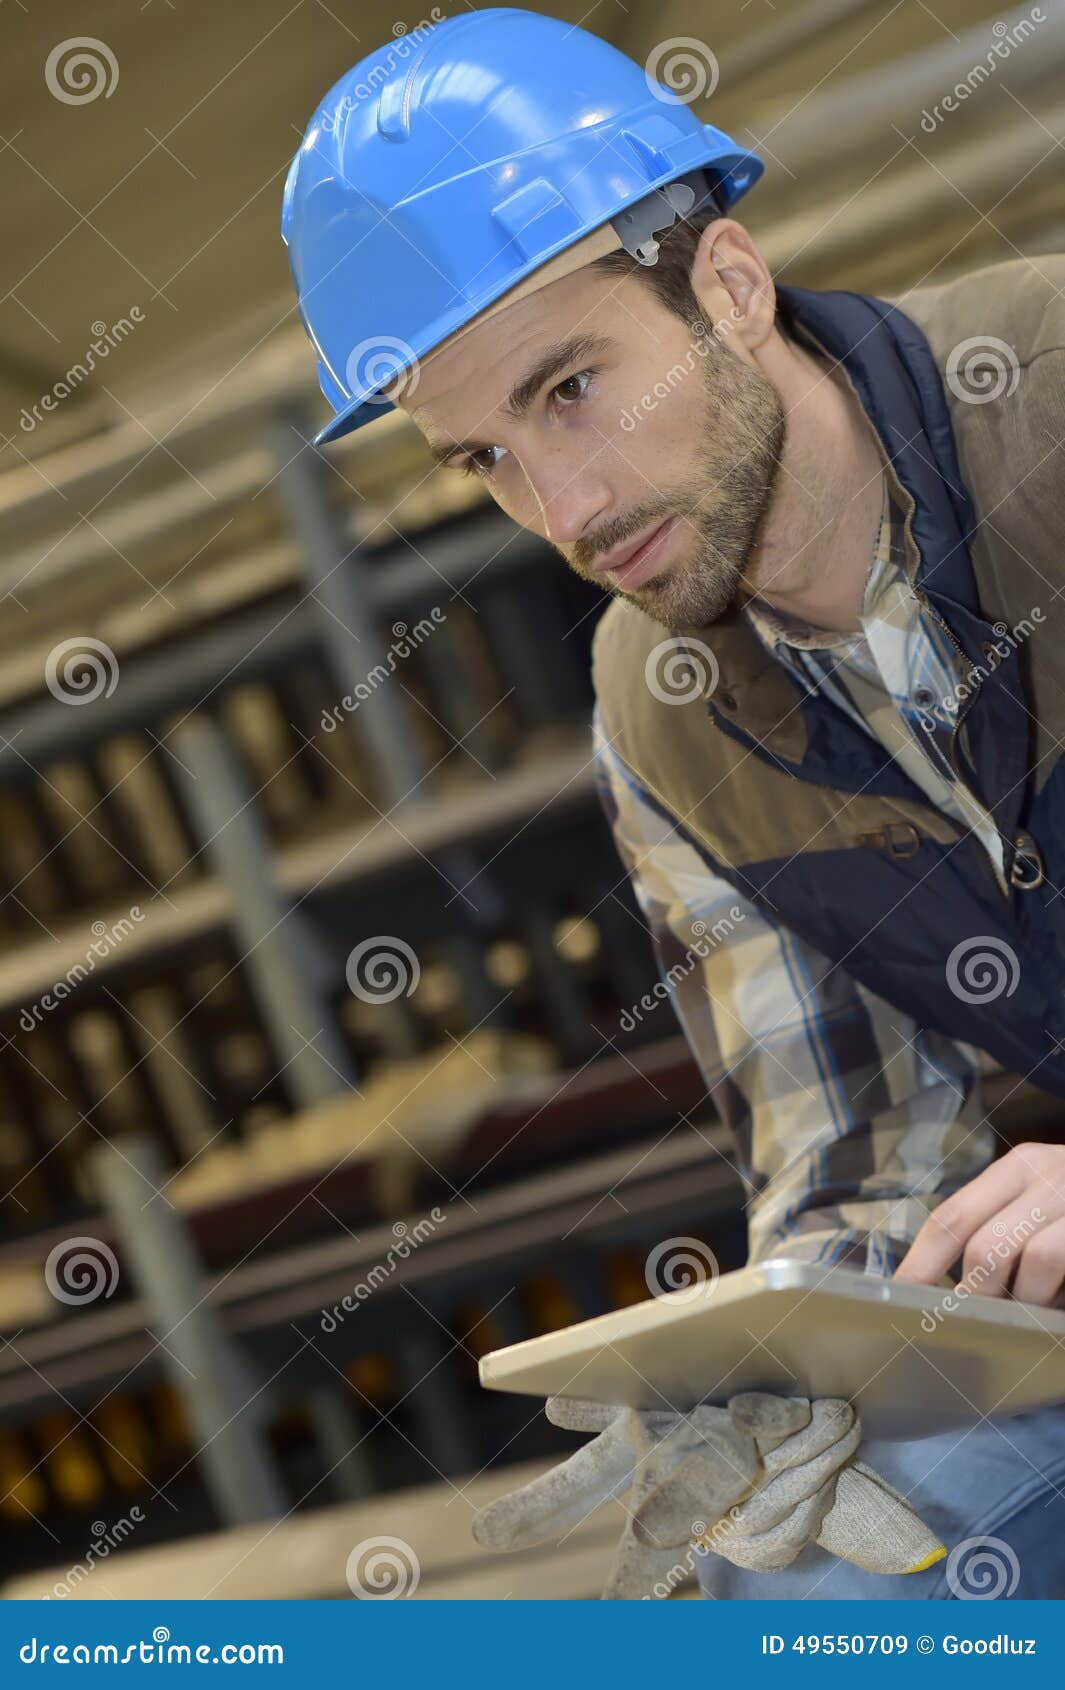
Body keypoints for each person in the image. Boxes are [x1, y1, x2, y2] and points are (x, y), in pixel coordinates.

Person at [282, 8, 1065, 1598]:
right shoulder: (662, 715)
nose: (558, 511)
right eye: (486, 458)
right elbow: (858, 1153)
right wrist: (806, 1371)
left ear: (725, 281)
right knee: (793, 1585)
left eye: (571, 387)